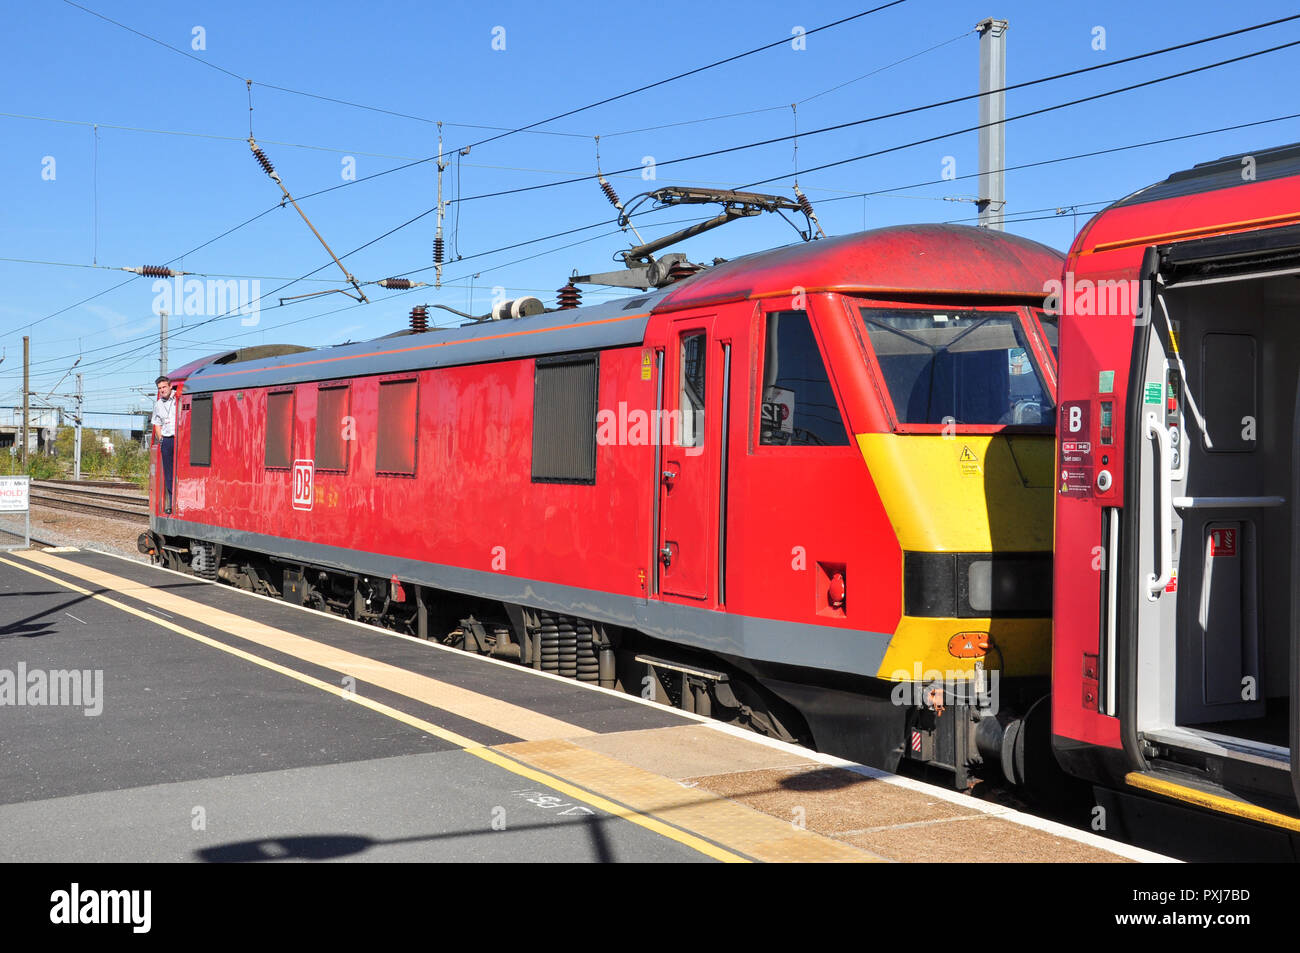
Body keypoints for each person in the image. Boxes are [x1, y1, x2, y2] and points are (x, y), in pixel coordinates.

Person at [151, 375, 176, 514]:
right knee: (168, 473)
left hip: (179, 439)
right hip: (167, 440)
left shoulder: (178, 399)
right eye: (159, 388)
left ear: (170, 386)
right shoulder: (158, 404)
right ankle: (171, 502)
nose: (162, 390)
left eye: (164, 387)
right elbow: (156, 423)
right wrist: (161, 439)